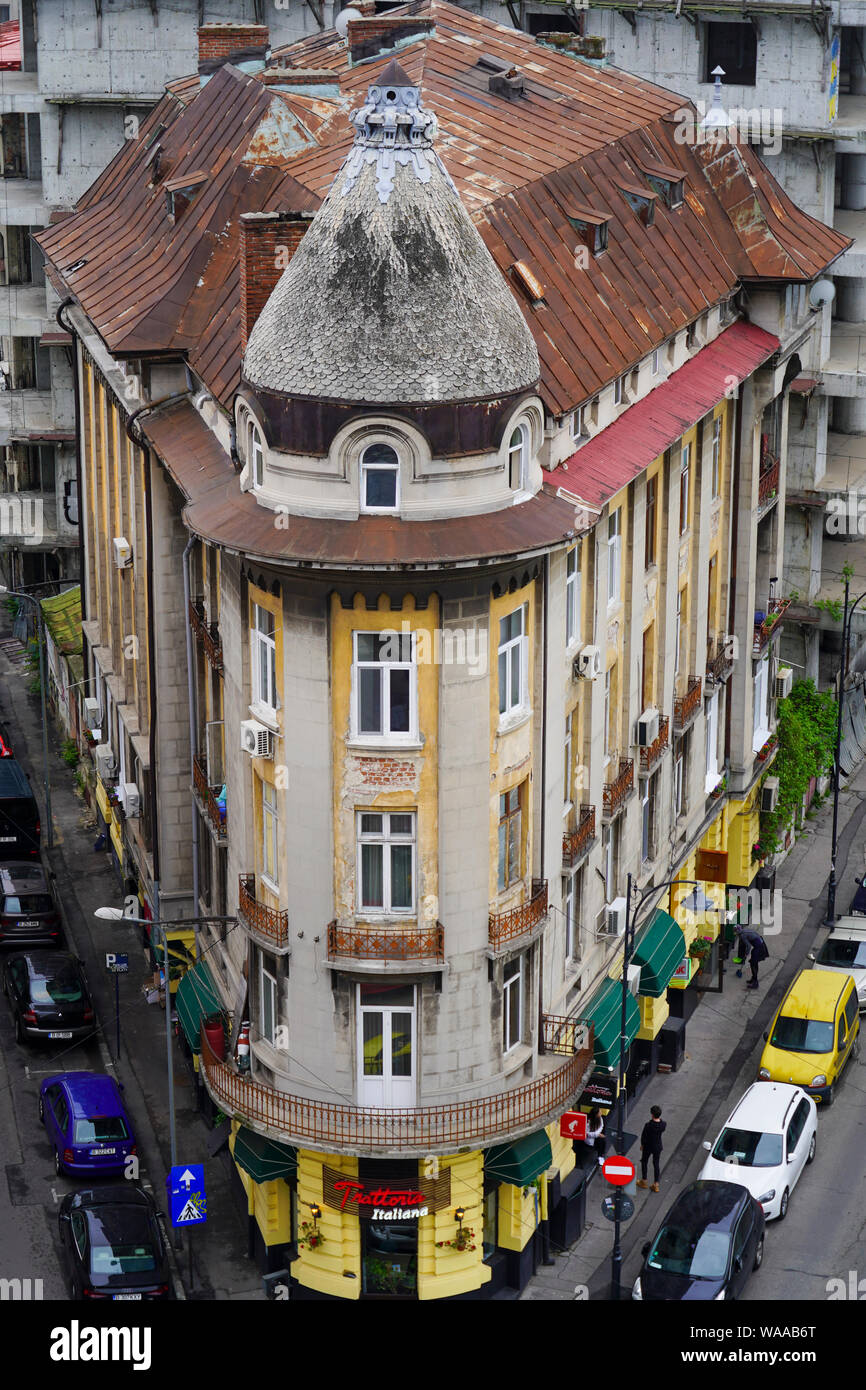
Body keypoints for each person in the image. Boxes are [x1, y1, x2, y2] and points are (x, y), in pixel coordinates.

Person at [637, 1104, 666, 1192]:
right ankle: (656, 1184)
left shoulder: (648, 1125)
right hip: (657, 1146)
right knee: (656, 1164)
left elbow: (644, 1136)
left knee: (644, 1161)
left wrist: (642, 1145)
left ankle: (644, 1181)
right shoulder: (663, 1124)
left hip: (648, 1146)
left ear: (652, 1114)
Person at [734, 924, 769, 989]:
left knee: (753, 964)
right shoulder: (744, 930)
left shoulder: (743, 935)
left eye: (735, 931)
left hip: (759, 947)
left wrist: (746, 954)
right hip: (760, 945)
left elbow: (748, 946)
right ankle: (753, 979)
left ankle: (755, 983)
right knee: (753, 963)